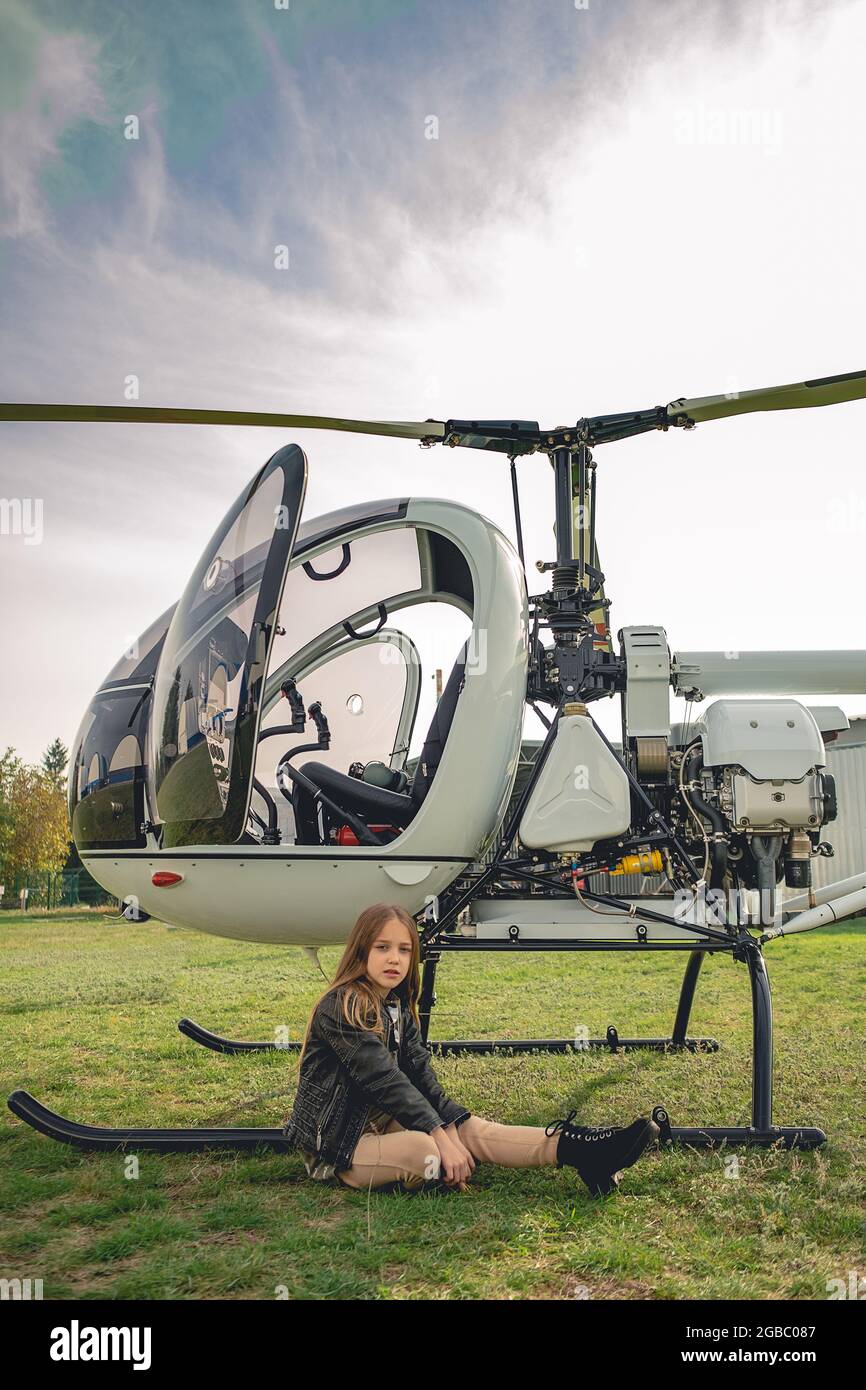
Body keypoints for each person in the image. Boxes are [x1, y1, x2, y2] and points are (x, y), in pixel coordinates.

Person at [283, 903, 658, 1197]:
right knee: (427, 1152)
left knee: (470, 1130)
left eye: (404, 949)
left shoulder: (395, 1005)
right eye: (382, 947)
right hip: (339, 1143)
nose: (394, 959)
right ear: (361, 950)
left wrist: (450, 1128)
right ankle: (425, 1169)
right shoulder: (342, 1006)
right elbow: (385, 1080)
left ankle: (583, 1151)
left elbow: (421, 1077)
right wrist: (441, 1139)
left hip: (383, 1121)